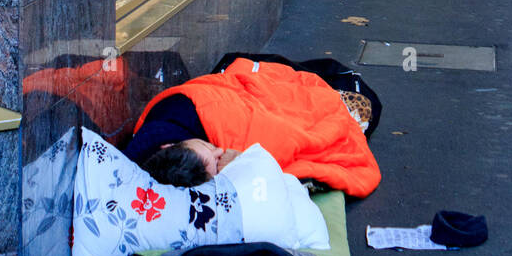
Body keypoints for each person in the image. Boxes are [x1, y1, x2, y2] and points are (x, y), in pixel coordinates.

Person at [123, 53, 382, 197]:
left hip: (222, 102)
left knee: (329, 106)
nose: (219, 151)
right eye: (215, 161)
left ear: (170, 145)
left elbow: (231, 105)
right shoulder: (142, 170)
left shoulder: (165, 126)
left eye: (207, 146)